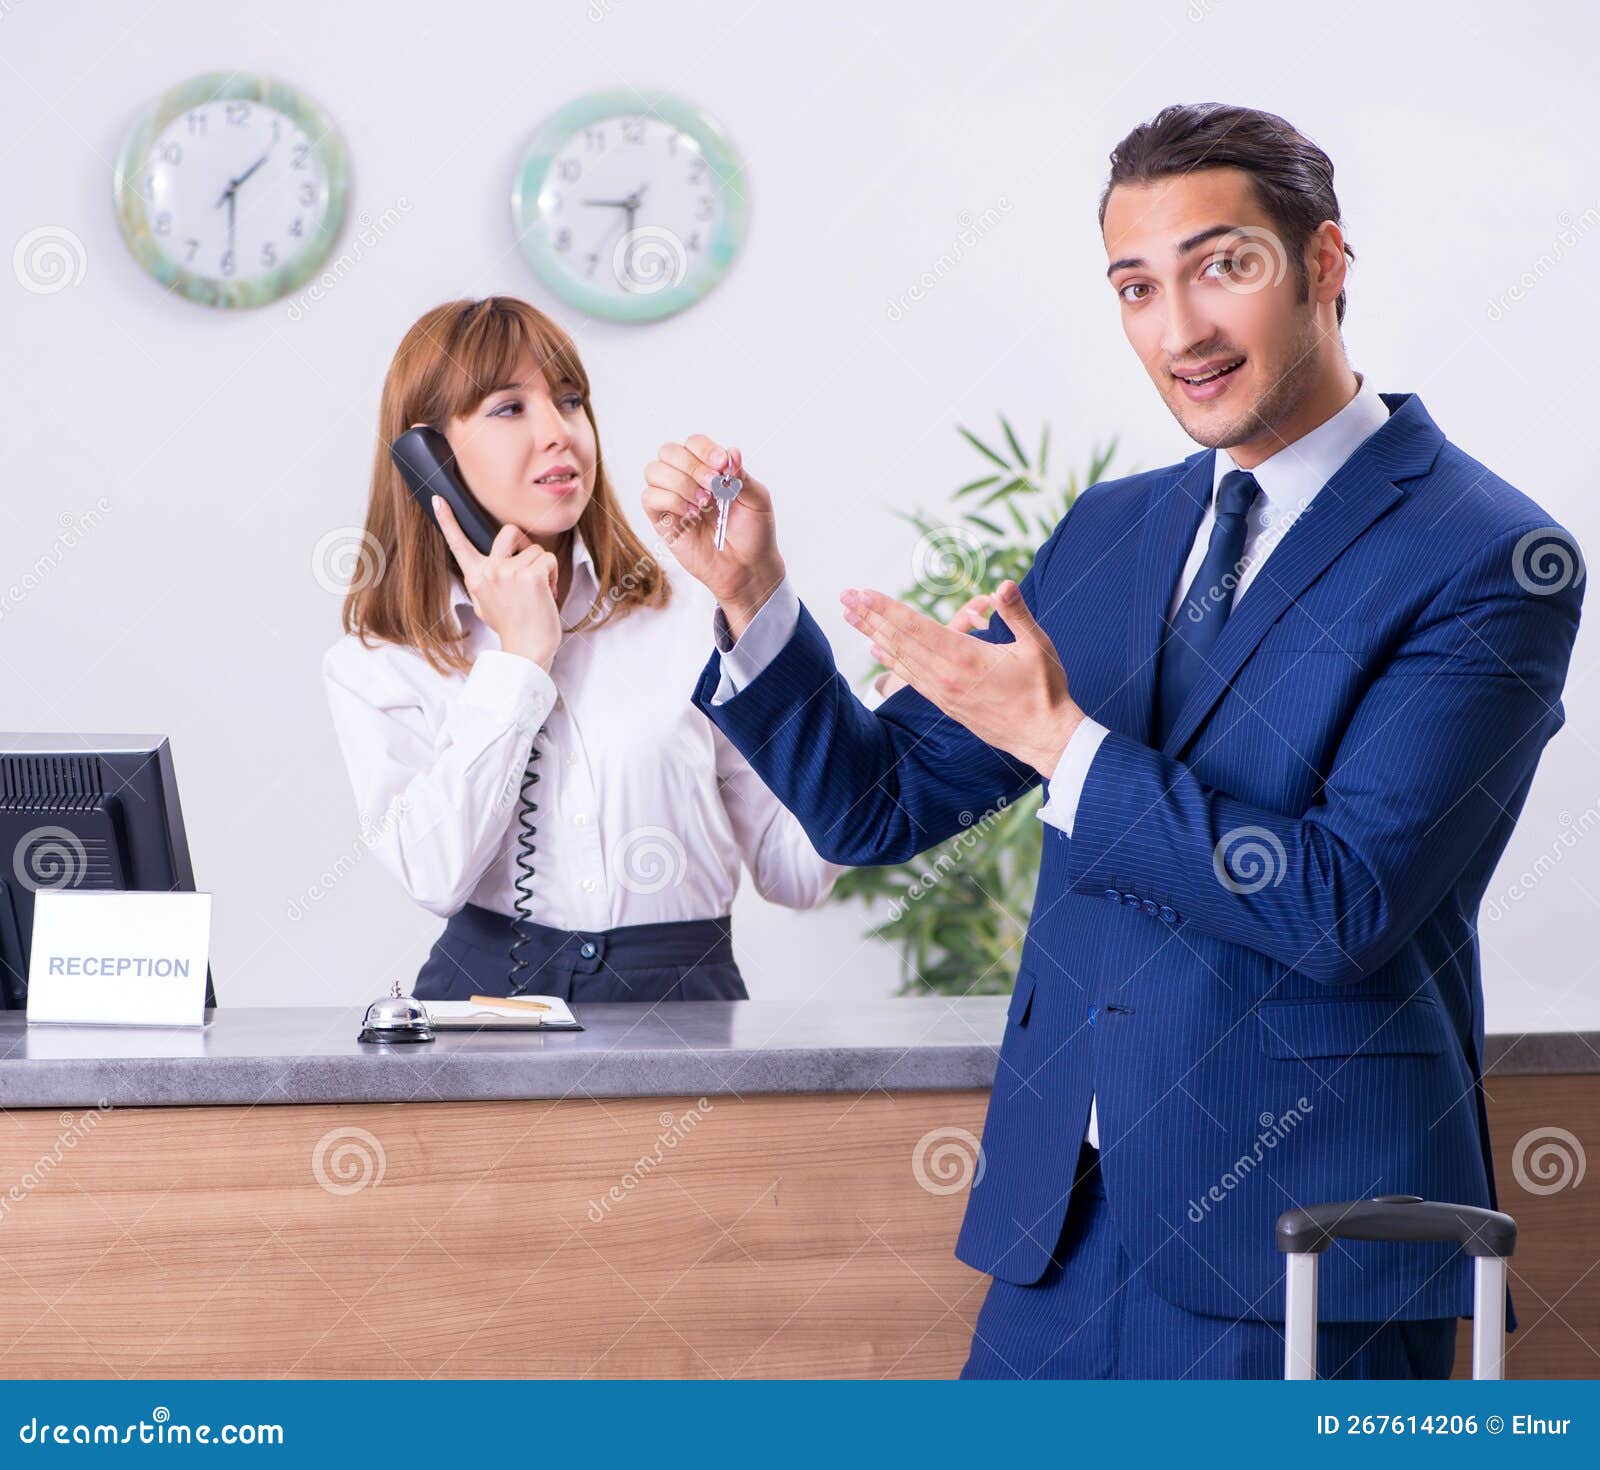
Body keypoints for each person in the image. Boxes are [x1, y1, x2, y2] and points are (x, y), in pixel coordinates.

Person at [644, 104, 1585, 1377]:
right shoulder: (1112, 529)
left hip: (1303, 1247)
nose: (1179, 329)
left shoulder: (1486, 556)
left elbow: (1346, 904)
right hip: (1063, 1231)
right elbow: (876, 806)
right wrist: (753, 596)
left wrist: (1064, 745)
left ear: (1322, 261)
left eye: (1221, 266)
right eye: (1136, 288)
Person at [323, 296, 841, 1004]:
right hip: (484, 1005)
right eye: (510, 408)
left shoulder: (690, 615)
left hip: (685, 998)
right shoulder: (378, 661)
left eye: (569, 401)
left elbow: (794, 871)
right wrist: (519, 660)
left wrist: (906, 711)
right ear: (428, 458)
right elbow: (433, 875)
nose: (560, 433)